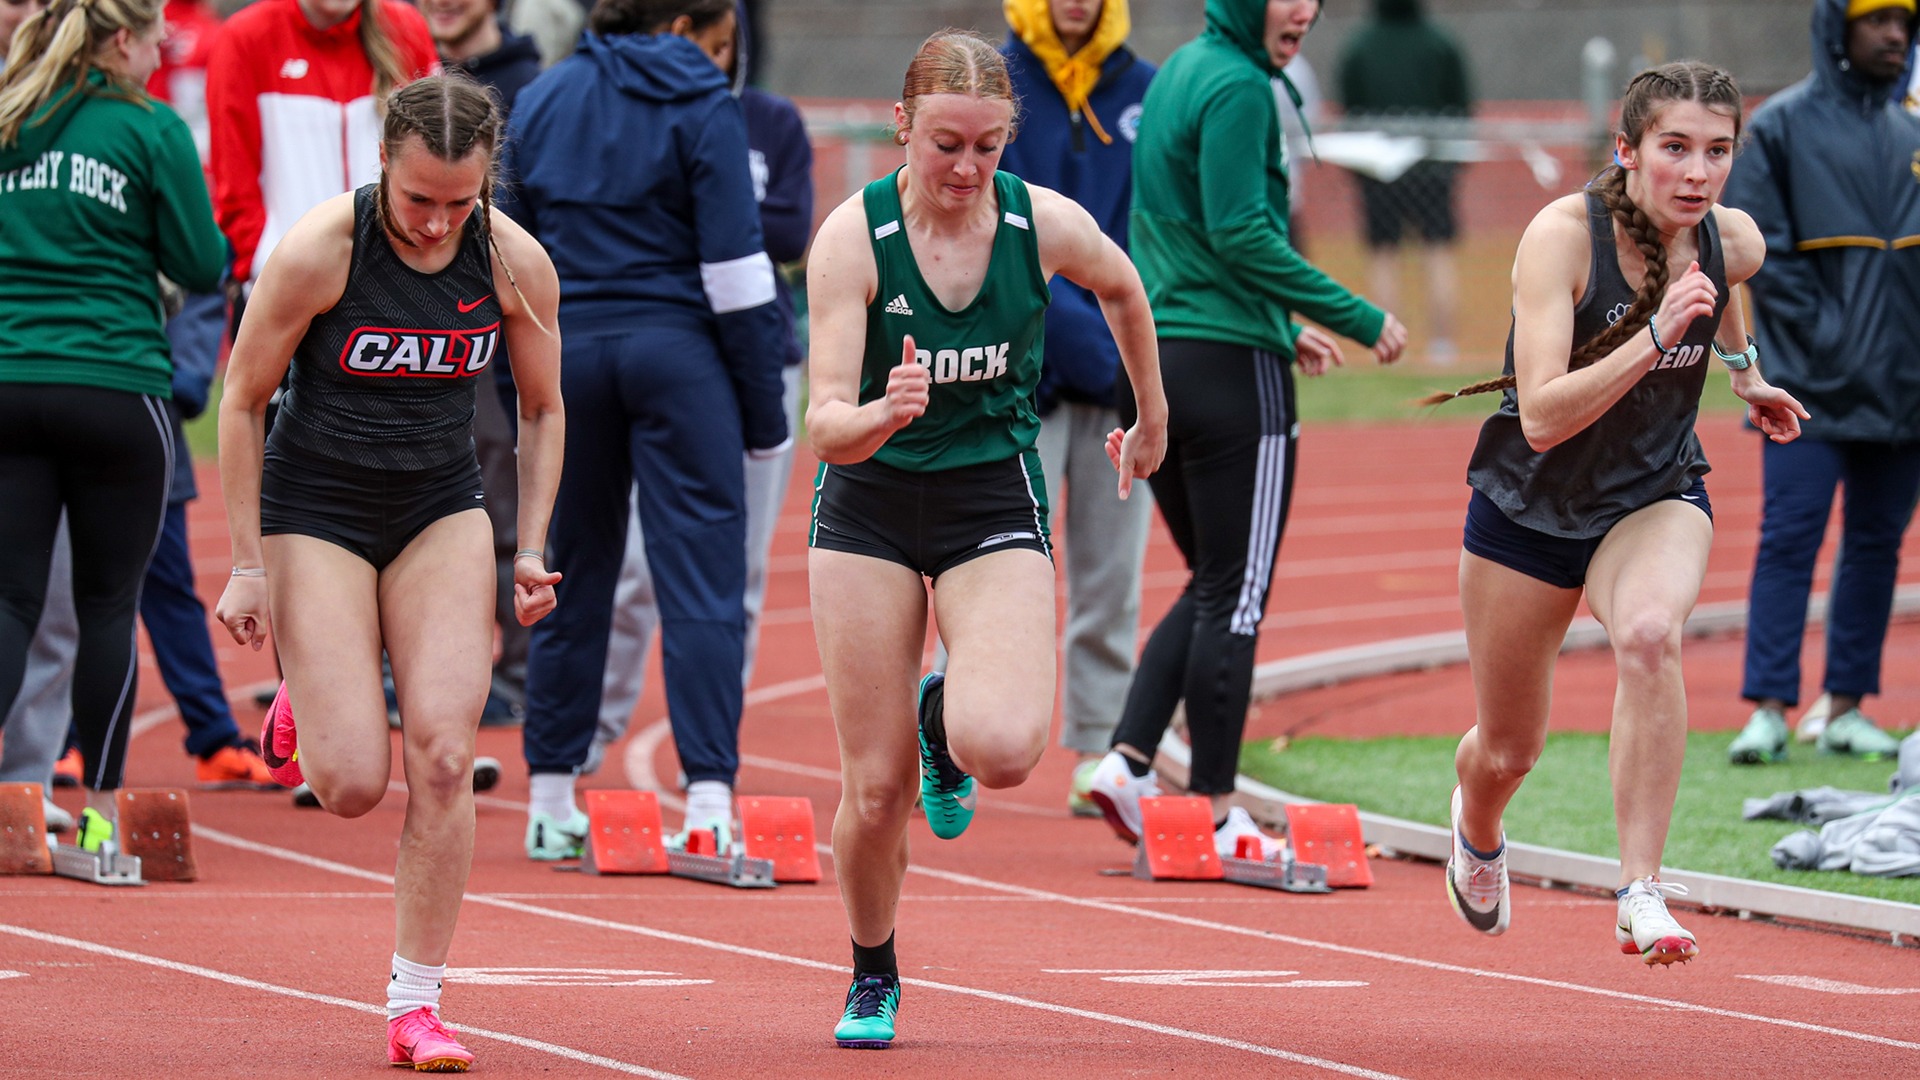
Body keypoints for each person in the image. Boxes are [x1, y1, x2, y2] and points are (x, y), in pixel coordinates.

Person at [805, 29, 1165, 1050]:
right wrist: (879, 411)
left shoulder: (1036, 222)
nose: (966, 170)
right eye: (946, 146)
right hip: (868, 505)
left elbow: (1126, 289)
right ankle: (872, 970)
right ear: (901, 126)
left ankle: (942, 714)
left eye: (989, 148)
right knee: (874, 794)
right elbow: (822, 419)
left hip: (988, 500)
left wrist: (1153, 418)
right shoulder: (853, 240)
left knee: (1003, 750)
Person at [213, 73, 563, 1071]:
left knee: (446, 761)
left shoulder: (511, 261)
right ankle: (308, 695)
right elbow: (240, 401)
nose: (436, 224)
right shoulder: (325, 248)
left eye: (461, 202)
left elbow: (542, 409)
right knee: (355, 784)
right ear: (383, 168)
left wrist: (531, 544)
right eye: (419, 200)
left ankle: (417, 1005)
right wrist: (247, 566)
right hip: (315, 510)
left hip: (437, 508)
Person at [1429, 62, 1806, 964]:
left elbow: (1727, 276)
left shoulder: (1729, 237)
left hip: (1653, 492)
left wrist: (1744, 370)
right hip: (1529, 506)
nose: (1697, 173)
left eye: (1717, 152)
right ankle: (1477, 827)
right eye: (1675, 149)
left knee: (1647, 634)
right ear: (1627, 151)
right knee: (1509, 751)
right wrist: (1658, 333)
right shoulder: (1562, 238)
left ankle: (1641, 888)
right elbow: (1544, 415)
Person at [1087, 0, 1405, 858]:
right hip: (1226, 377)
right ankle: (1222, 812)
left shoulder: (1186, 67)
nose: (1301, 7)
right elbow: (1239, 234)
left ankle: (1127, 760)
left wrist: (1275, 323)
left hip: (1159, 357)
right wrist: (1354, 313)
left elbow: (1187, 237)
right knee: (1238, 592)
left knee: (1211, 580)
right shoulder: (1235, 86)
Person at [501, 0, 789, 857]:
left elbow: (513, 246)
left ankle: (550, 798)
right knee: (703, 581)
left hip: (571, 354)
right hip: (679, 357)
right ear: (681, 23)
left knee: (567, 572)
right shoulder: (704, 97)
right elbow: (738, 274)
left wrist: (519, 375)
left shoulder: (547, 96)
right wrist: (765, 414)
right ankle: (707, 803)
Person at [0, 0, 227, 848]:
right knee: (106, 605)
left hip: (9, 378)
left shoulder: (8, 114)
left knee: (12, 597)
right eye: (156, 44)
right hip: (115, 385)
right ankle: (97, 816)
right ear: (124, 41)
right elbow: (201, 262)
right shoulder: (149, 126)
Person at [586, 0, 814, 774]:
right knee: (632, 568)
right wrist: (713, 210)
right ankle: (597, 724)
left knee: (737, 572)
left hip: (758, 357)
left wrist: (704, 207)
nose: (716, 61)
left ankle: (711, 743)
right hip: (668, 356)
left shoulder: (770, 119)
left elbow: (787, 230)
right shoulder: (633, 110)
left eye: (728, 47)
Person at [1722, 0, 1920, 766]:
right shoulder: (1780, 126)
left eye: (1903, 21)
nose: (1893, 34)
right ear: (1836, 29)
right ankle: (1769, 709)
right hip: (1809, 386)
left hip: (1905, 391)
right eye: (1876, 20)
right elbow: (1764, 256)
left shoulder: (1911, 131)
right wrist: (1833, 340)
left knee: (1877, 546)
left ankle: (1845, 706)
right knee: (1790, 538)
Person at [998, 0, 1155, 816]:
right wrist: (1093, 348)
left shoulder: (1145, 91)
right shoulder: (997, 83)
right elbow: (1003, 233)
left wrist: (1124, 356)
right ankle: (955, 727)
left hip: (1121, 372)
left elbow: (1150, 233)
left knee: (1110, 567)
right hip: (1026, 372)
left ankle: (1099, 744)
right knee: (998, 566)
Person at [428, 0, 545, 727]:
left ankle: (520, 673)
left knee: (500, 498)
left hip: (494, 323)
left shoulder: (530, 87)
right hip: (408, 318)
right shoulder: (409, 75)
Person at [1337, 0, 1471, 366]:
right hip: (1432, 166)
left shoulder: (1360, 45)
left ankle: (1388, 348)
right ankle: (1443, 347)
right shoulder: (1440, 43)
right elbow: (1461, 105)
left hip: (1378, 169)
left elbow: (1350, 107)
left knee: (1385, 255)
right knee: (1437, 251)